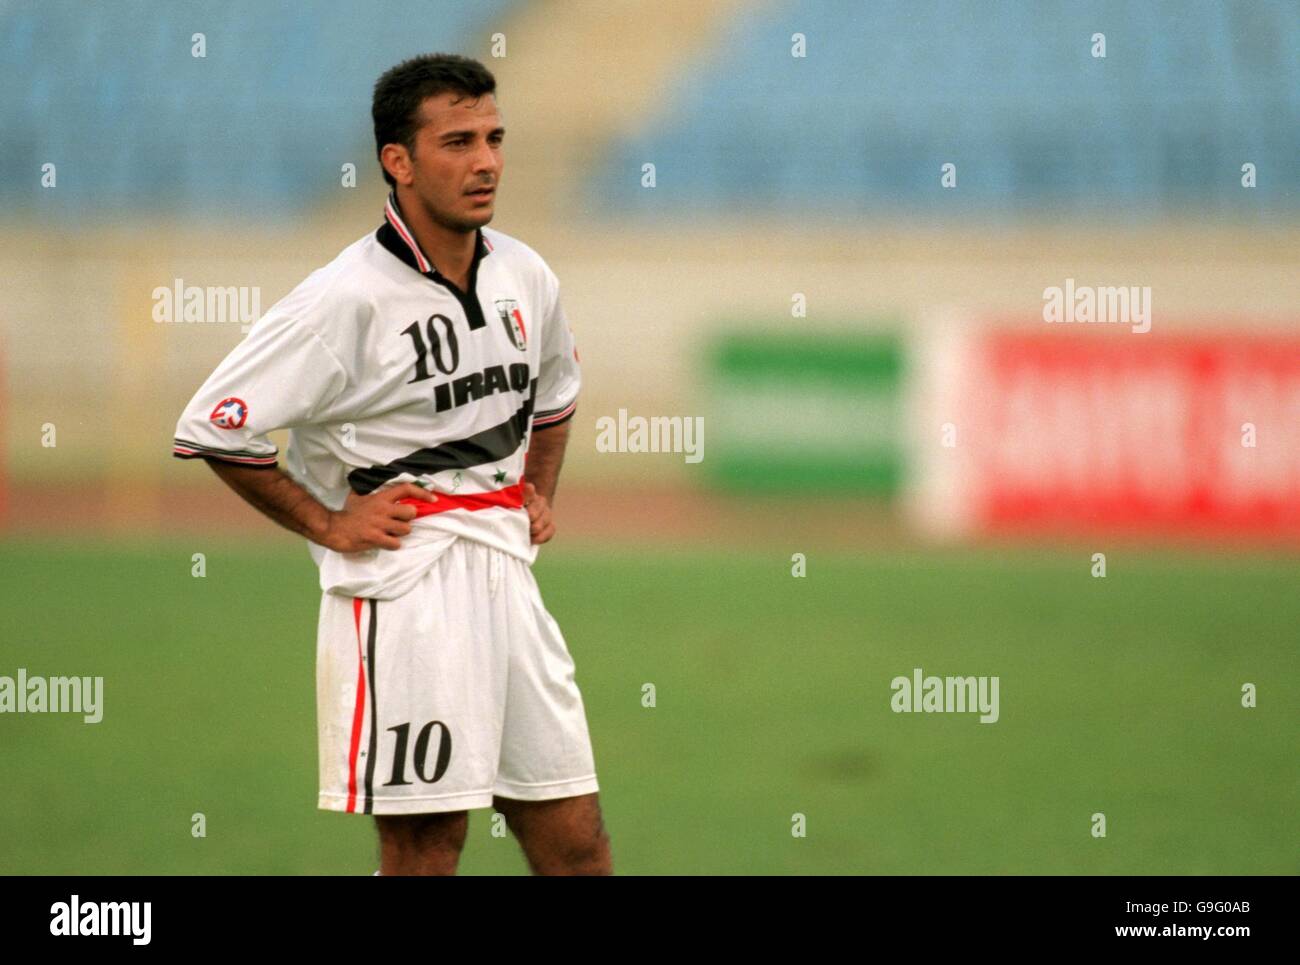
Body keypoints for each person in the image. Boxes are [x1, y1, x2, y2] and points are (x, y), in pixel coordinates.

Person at [171, 52, 611, 876]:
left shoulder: (526, 272)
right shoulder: (344, 297)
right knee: (426, 843)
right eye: (457, 142)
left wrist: (537, 491)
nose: (485, 162)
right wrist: (329, 521)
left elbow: (555, 392)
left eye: (493, 138)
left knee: (575, 839)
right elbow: (215, 426)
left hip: (507, 578)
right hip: (402, 593)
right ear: (397, 162)